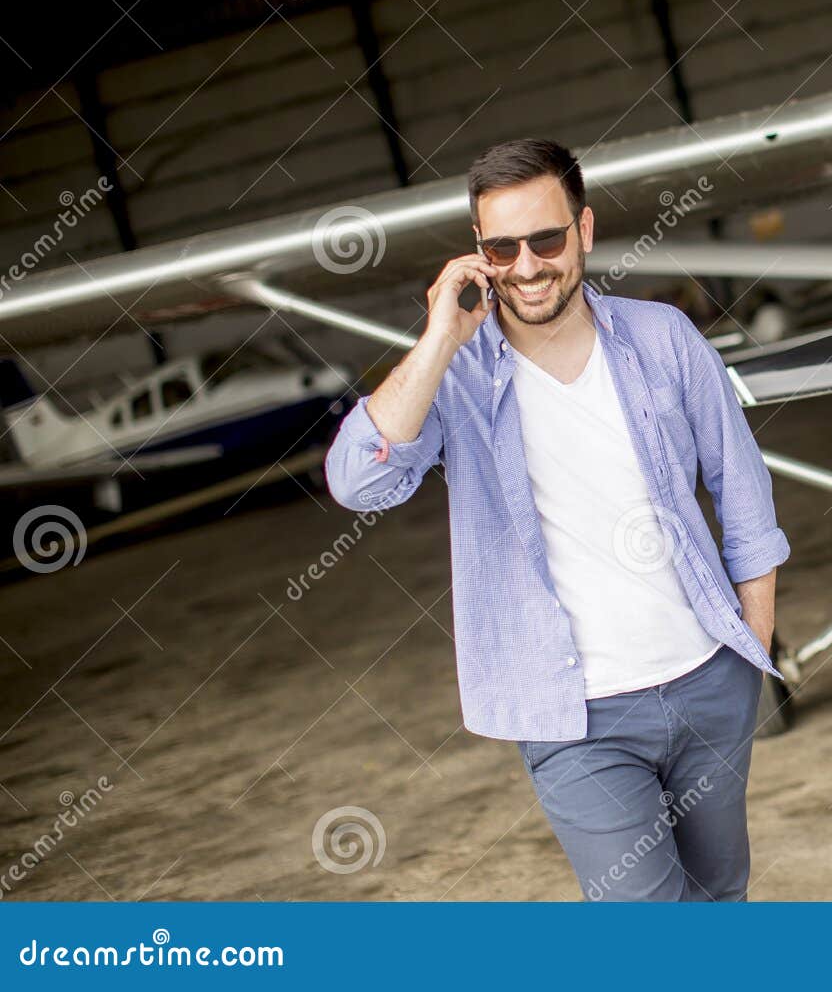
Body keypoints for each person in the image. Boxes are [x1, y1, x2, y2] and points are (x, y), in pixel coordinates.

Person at [324, 137, 789, 901]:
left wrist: (749, 654)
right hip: (577, 721)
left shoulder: (663, 337)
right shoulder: (456, 375)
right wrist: (440, 335)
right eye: (502, 248)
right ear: (478, 255)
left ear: (585, 230)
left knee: (720, 898)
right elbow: (358, 482)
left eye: (546, 238)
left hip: (709, 680)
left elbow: (743, 492)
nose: (529, 265)